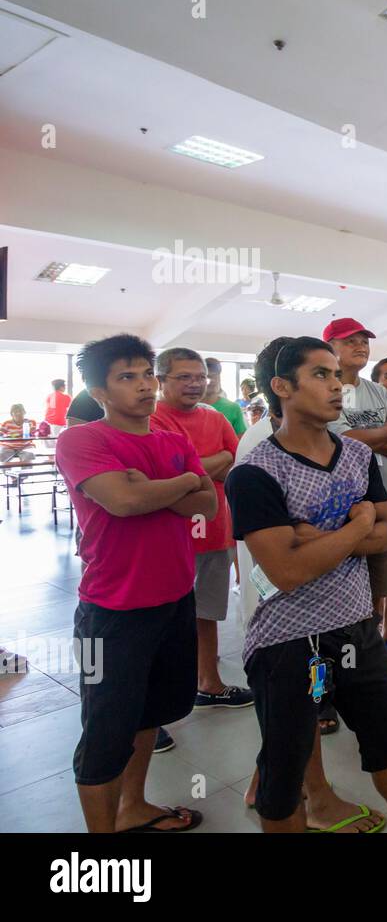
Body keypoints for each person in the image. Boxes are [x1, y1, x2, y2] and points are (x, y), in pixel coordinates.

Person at [224, 336, 387, 833]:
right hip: (286, 641)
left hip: (357, 629)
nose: (337, 387)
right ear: (282, 387)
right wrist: (355, 529)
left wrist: (314, 540)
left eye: (337, 375)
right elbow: (285, 571)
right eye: (321, 375)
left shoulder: (354, 456)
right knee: (285, 767)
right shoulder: (253, 471)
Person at [55, 333, 217, 832]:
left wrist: (149, 487)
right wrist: (182, 483)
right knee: (106, 727)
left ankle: (134, 806)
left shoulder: (173, 439)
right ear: (99, 391)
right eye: (127, 377)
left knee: (150, 714)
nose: (144, 386)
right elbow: (123, 503)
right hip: (113, 610)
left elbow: (207, 504)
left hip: (173, 600)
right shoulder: (83, 440)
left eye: (147, 374)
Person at [150, 348, 253, 712]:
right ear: (161, 380)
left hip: (215, 529)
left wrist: (203, 468)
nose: (196, 384)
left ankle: (208, 683)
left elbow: (238, 466)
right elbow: (168, 476)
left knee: (207, 611)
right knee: (161, 618)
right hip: (169, 535)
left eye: (200, 377)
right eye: (184, 377)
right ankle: (153, 706)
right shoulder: (152, 419)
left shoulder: (213, 416)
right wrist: (217, 461)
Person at [323, 318, 387, 673]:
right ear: (331, 348)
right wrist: (383, 433)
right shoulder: (325, 390)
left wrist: (372, 436)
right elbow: (342, 443)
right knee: (341, 582)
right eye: (350, 341)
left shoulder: (378, 392)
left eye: (363, 340)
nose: (360, 346)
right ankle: (335, 657)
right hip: (344, 503)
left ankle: (372, 644)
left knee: (382, 577)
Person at [202, 358, 247, 437]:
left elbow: (240, 444)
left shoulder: (233, 408)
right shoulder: (189, 407)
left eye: (215, 376)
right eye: (207, 377)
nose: (212, 381)